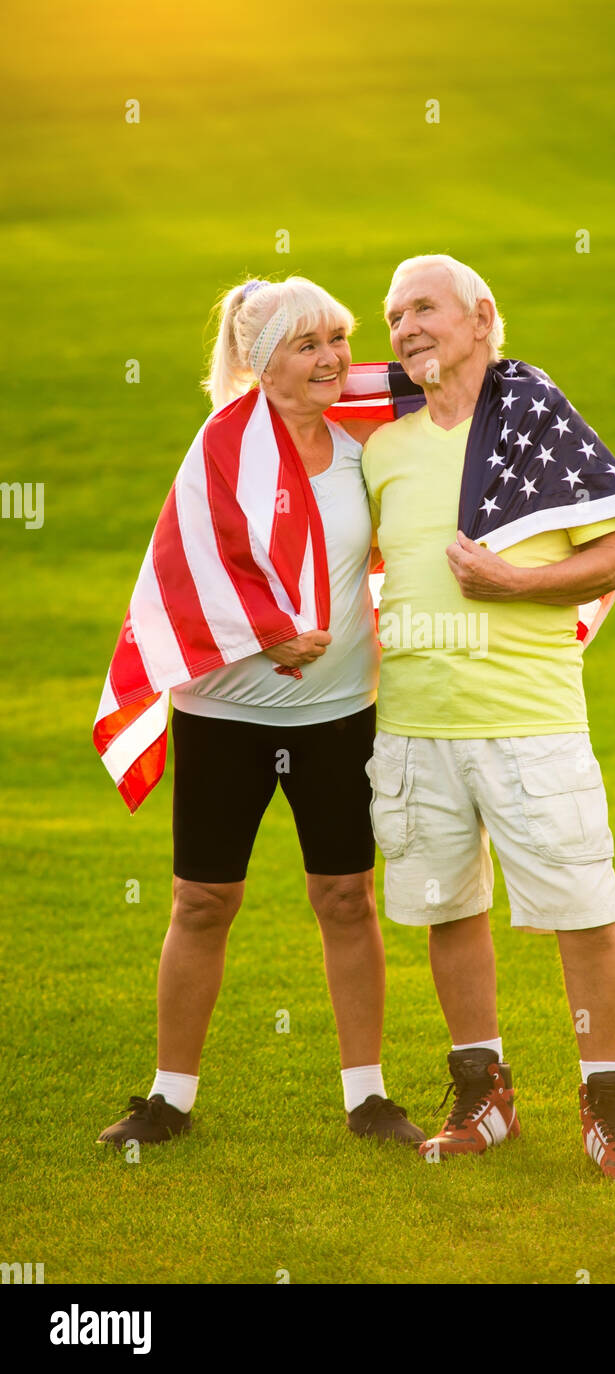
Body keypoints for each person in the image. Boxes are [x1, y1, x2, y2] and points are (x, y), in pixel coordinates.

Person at [96, 276, 424, 1151]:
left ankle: (368, 1097)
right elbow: (190, 567)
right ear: (258, 360)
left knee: (346, 897)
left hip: (337, 715)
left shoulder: (368, 446)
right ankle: (168, 1098)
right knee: (202, 901)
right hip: (225, 719)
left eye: (337, 339)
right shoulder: (219, 449)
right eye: (307, 344)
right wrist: (270, 632)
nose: (331, 360)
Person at [361, 254, 615, 1176]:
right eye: (392, 316)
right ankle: (483, 1095)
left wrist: (510, 581)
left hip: (530, 722)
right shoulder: (380, 449)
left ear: (481, 315)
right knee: (446, 909)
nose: (405, 328)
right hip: (414, 726)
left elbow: (614, 557)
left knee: (582, 910)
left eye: (423, 308)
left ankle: (609, 1110)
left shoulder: (532, 426)